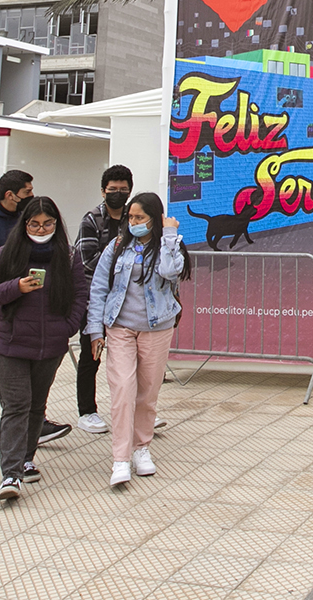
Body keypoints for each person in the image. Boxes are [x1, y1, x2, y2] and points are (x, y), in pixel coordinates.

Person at [0, 197, 87, 501]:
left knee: (37, 405)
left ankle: (26, 457)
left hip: (50, 345)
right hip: (10, 344)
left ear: (56, 224)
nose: (41, 229)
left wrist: (67, 327)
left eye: (47, 223)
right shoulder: (7, 253)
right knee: (16, 406)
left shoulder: (67, 255)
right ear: (24, 225)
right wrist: (16, 287)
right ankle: (10, 474)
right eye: (35, 223)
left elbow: (80, 295)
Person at [0, 170, 66, 451]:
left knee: (23, 377)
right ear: (10, 195)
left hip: (20, 313)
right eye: (27, 192)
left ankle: (31, 423)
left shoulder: (24, 221)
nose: (32, 196)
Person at [88, 192, 188, 487]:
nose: (133, 223)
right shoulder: (117, 247)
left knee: (147, 392)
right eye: (130, 218)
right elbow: (98, 288)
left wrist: (170, 233)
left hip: (157, 328)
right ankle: (120, 458)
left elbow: (172, 272)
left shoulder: (170, 246)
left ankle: (141, 448)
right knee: (122, 390)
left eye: (140, 218)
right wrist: (95, 329)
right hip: (119, 327)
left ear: (154, 220)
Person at [74, 165, 133, 436]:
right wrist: (122, 262)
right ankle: (87, 411)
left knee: (131, 358)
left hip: (126, 300)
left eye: (123, 190)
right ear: (103, 191)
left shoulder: (134, 217)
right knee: (91, 355)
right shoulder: (91, 220)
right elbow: (87, 260)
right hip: (93, 298)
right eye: (113, 190)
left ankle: (134, 410)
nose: (118, 195)